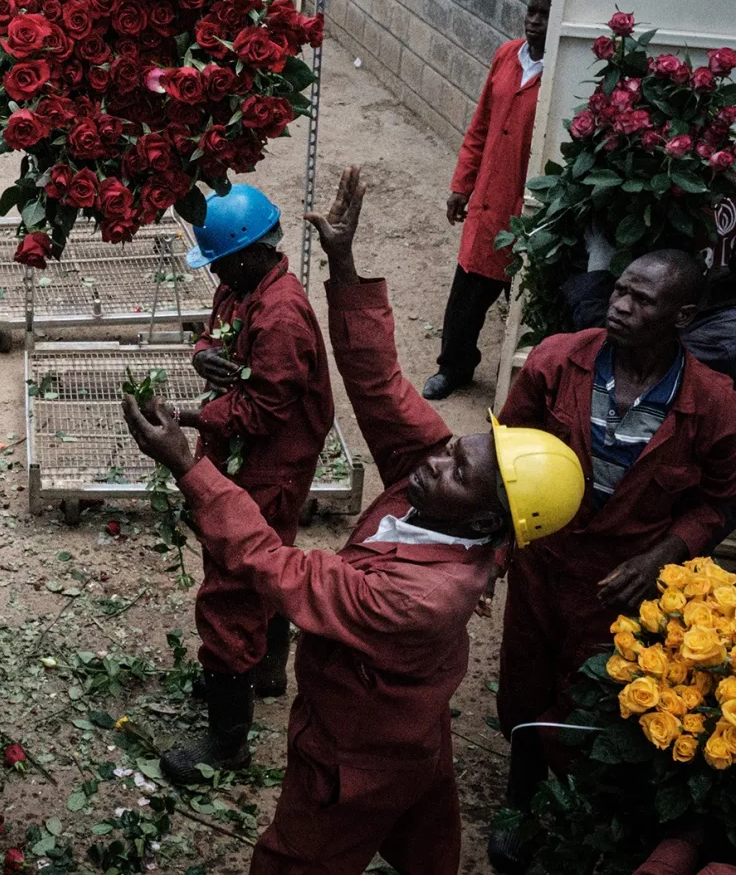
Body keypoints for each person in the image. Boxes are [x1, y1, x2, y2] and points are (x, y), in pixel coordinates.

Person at [124, 166, 584, 875]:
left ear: (495, 519)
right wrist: (343, 262)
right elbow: (377, 384)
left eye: (458, 467)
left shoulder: (421, 596)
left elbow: (279, 570)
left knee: (298, 858)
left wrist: (187, 464)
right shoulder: (440, 488)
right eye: (456, 447)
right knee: (427, 841)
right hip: (412, 734)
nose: (435, 459)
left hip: (357, 751)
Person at [488, 249, 736, 873]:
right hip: (544, 562)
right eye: (620, 290)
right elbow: (505, 457)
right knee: (524, 683)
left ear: (682, 315)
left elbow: (718, 502)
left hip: (621, 586)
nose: (620, 305)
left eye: (642, 300)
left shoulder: (712, 403)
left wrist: (662, 556)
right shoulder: (557, 360)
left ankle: (576, 813)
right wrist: (497, 544)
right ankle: (519, 806)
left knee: (595, 697)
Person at [159, 182, 334, 783]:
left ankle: (227, 741)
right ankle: (264, 670)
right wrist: (203, 354)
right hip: (251, 456)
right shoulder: (243, 287)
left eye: (220, 262)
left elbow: (262, 411)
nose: (216, 275)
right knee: (272, 560)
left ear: (251, 251)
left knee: (233, 583)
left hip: (271, 465)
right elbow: (218, 336)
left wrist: (184, 421)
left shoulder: (282, 316)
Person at [423, 0, 554, 400]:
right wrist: (461, 185)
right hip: (488, 203)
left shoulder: (560, 75)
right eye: (531, 11)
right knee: (467, 294)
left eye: (545, 15)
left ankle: (524, 389)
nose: (534, 21)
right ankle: (455, 367)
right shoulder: (506, 55)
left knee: (528, 301)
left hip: (531, 207)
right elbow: (480, 125)